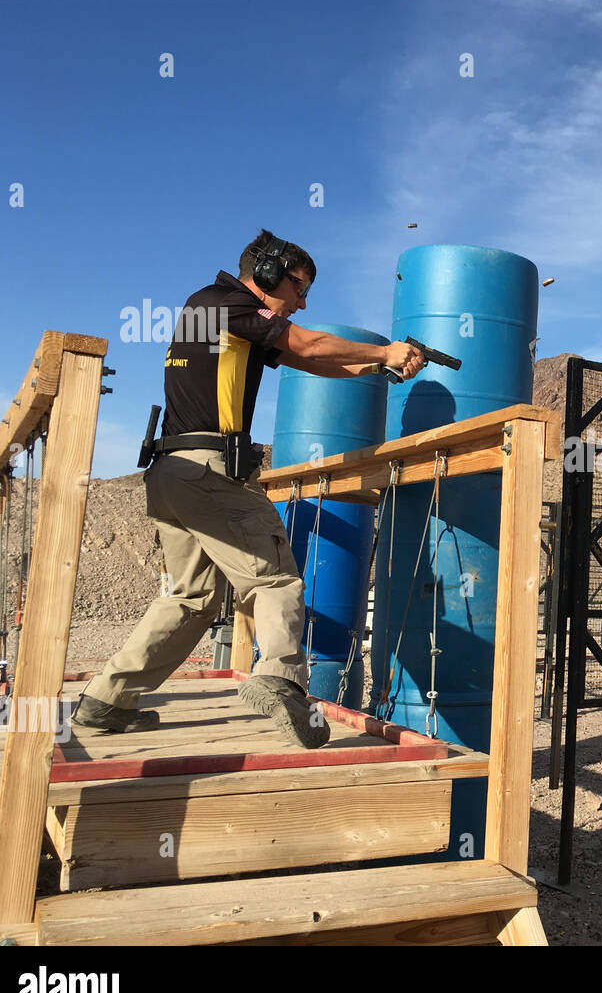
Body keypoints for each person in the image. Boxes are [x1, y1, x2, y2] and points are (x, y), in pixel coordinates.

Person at [73, 230, 425, 748]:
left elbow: (309, 359)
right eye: (300, 288)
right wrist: (386, 348)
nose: (302, 302)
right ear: (267, 273)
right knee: (276, 580)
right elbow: (308, 341)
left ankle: (107, 701)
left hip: (174, 473)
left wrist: (379, 364)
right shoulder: (223, 303)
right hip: (211, 470)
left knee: (191, 597)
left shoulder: (217, 314)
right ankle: (280, 680)